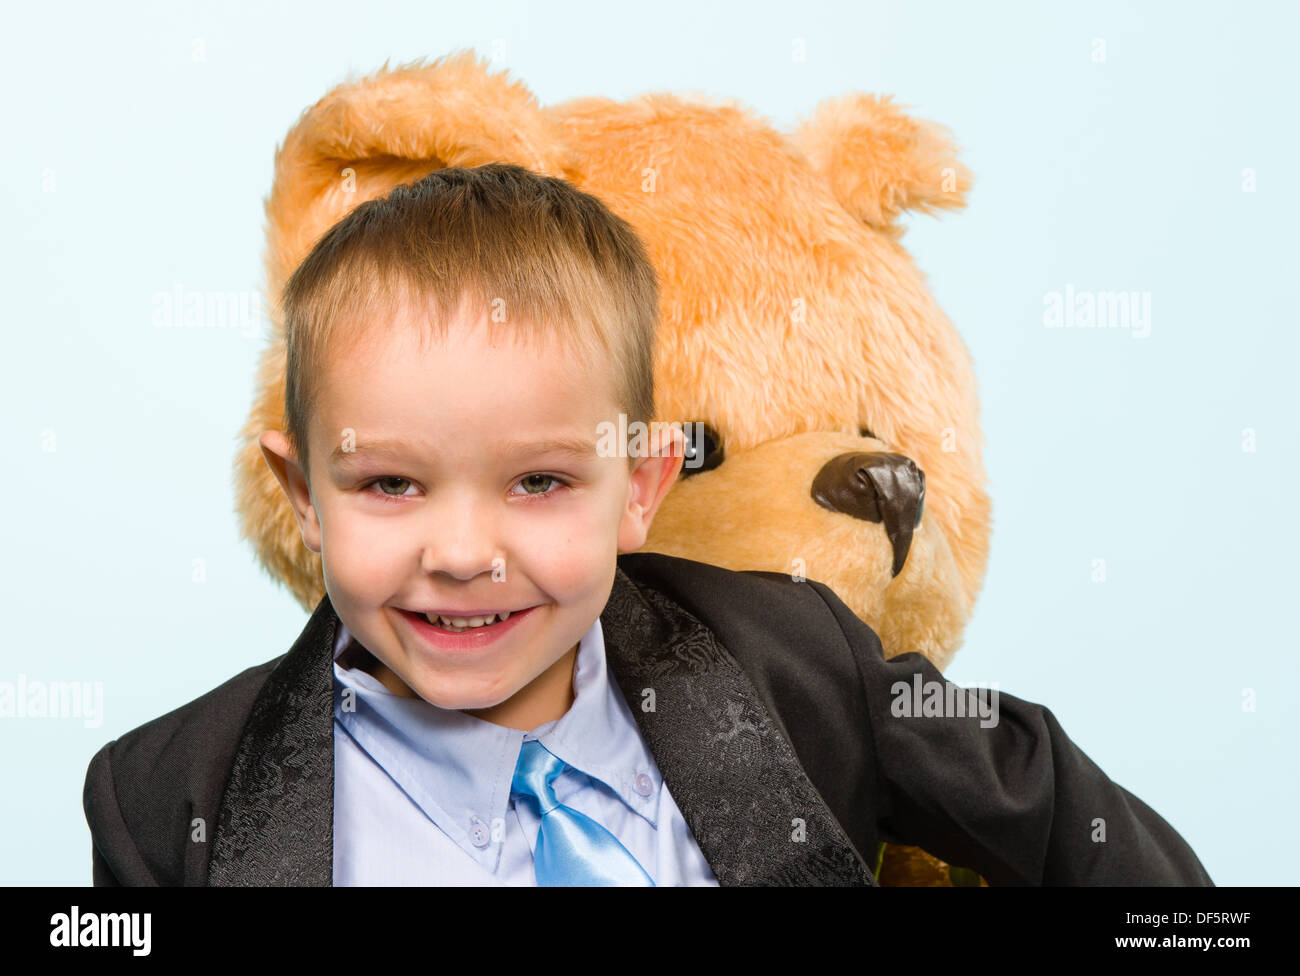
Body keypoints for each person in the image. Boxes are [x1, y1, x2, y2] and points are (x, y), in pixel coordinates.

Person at [82, 163, 1213, 886]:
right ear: (299, 494)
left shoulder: (796, 659)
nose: (465, 553)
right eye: (390, 484)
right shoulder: (168, 795)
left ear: (640, 484)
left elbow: (1060, 803)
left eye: (538, 483)